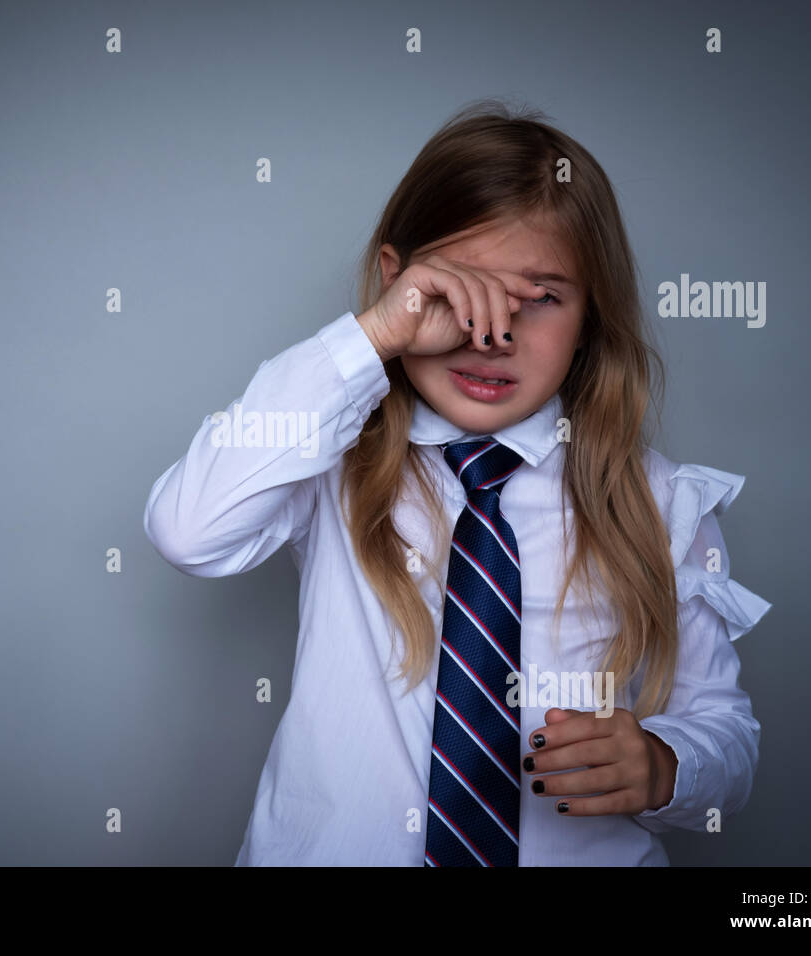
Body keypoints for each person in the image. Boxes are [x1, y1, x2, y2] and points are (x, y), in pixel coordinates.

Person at [143, 99, 772, 866]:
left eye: (541, 298)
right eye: (459, 289)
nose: (493, 331)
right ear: (395, 281)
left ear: (590, 320)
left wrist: (664, 763)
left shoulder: (660, 501)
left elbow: (723, 728)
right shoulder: (328, 459)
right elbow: (188, 531)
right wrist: (375, 334)